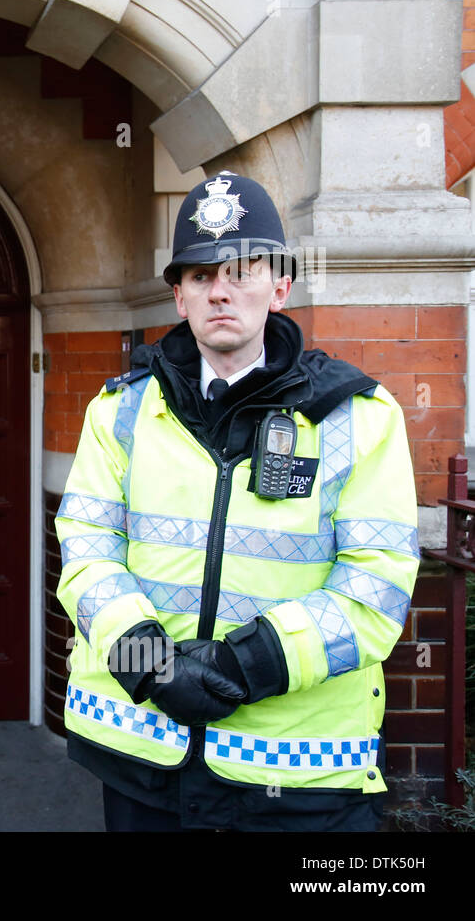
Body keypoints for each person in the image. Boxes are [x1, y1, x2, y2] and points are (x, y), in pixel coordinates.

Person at [56, 171, 419, 831]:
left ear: (281, 284)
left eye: (242, 269)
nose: (220, 290)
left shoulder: (361, 416)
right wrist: (155, 666)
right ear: (179, 294)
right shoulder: (120, 410)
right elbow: (86, 553)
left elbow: (377, 585)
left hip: (300, 776)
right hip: (143, 756)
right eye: (199, 275)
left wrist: (242, 665)